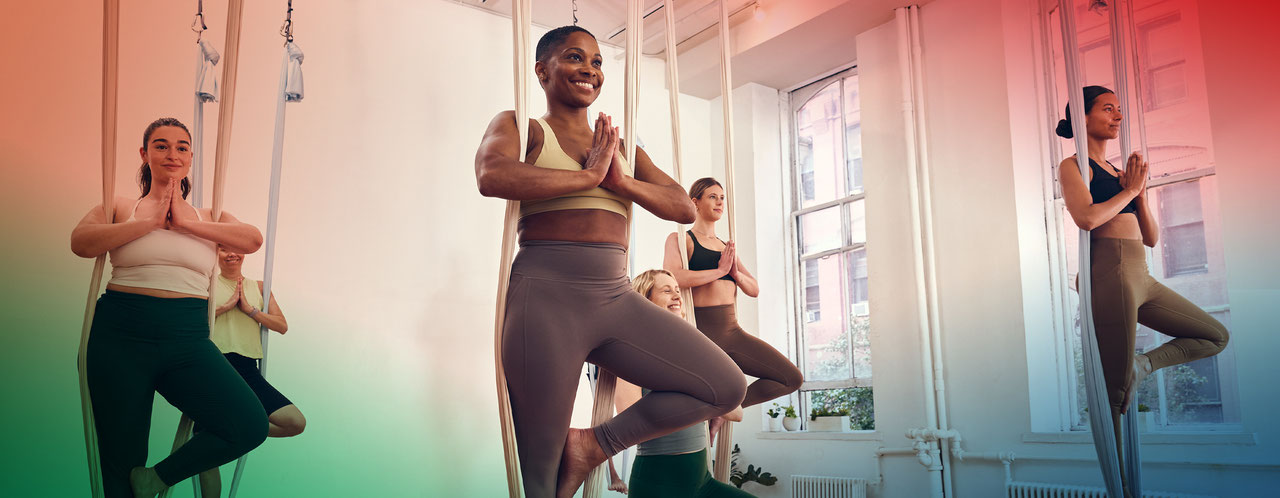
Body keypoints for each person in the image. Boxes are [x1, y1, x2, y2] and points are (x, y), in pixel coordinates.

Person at [474, 25, 747, 498]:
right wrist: (588, 178)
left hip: (614, 295)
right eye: (574, 58)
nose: (589, 69)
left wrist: (620, 183)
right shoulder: (523, 126)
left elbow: (682, 205)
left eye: (597, 62)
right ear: (542, 70)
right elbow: (491, 174)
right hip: (545, 296)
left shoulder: (618, 146)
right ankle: (567, 460)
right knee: (542, 480)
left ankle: (592, 445)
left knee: (724, 386)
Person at [70, 117, 267, 498]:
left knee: (247, 424)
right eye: (160, 145)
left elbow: (251, 239)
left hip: (186, 338)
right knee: (118, 468)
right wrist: (150, 222)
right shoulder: (121, 205)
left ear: (191, 157)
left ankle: (156, 478)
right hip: (119, 336)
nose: (171, 153)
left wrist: (185, 224)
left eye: (181, 147)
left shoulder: (210, 216)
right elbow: (82, 241)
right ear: (145, 155)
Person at [1056, 85, 1229, 459]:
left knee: (1214, 335)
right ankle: (1121, 486)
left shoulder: (1119, 173)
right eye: (1107, 109)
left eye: (1119, 109)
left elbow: (1151, 237)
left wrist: (1140, 194)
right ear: (1082, 118)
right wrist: (1128, 190)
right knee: (1115, 394)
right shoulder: (1074, 166)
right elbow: (1086, 218)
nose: (1118, 116)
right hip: (1110, 269)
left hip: (1140, 271)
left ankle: (1143, 364)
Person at [664, 178, 803, 425]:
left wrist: (735, 273)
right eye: (712, 197)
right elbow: (674, 276)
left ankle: (724, 410)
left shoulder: (726, 247)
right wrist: (719, 272)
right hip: (702, 335)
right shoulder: (681, 239)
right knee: (698, 426)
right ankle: (713, 416)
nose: (719, 202)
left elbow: (754, 289)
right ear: (695, 202)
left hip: (732, 333)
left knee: (791, 378)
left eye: (722, 198)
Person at [615, 270, 754, 498]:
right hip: (658, 485)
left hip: (702, 483)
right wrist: (703, 396)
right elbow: (628, 416)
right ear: (644, 300)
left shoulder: (693, 351)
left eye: (677, 290)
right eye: (666, 290)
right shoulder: (633, 352)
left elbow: (736, 411)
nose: (677, 296)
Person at [196, 245, 304, 497]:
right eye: (223, 249)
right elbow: (191, 320)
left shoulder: (259, 286)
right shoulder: (206, 284)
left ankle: (242, 432)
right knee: (204, 451)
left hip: (247, 366)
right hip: (214, 365)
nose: (231, 254)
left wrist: (251, 311)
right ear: (215, 254)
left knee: (294, 422)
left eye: (236, 249)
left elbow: (281, 325)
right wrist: (225, 307)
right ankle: (228, 436)